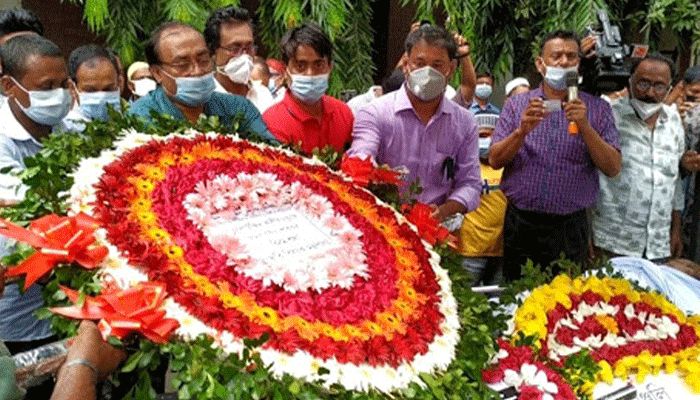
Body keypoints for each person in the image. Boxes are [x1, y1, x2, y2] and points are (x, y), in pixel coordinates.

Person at [489, 30, 621, 280]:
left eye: (571, 56)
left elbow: (613, 167)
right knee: (517, 300)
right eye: (556, 56)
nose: (564, 62)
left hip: (570, 228)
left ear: (579, 64)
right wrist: (521, 131)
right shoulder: (518, 105)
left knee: (566, 304)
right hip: (522, 225)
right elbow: (495, 160)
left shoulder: (598, 108)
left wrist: (585, 126)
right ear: (541, 64)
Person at [0, 34, 73, 399]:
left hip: (68, 300)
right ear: (9, 87)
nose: (59, 95)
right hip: (13, 307)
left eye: (63, 84)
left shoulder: (70, 129)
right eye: (47, 87)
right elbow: (31, 209)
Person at [348, 24, 481, 220]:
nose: (427, 73)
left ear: (451, 69)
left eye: (437, 65)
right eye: (419, 63)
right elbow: (360, 160)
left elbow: (470, 184)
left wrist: (443, 212)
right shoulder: (375, 113)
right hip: (383, 225)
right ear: (406, 65)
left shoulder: (465, 123)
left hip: (439, 229)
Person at [592, 54, 684, 262]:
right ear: (630, 82)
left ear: (670, 89)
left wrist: (675, 229)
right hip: (612, 241)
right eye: (643, 83)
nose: (650, 92)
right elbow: (588, 174)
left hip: (658, 244)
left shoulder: (674, 122)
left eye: (660, 86)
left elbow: (674, 179)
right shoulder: (609, 116)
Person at [129, 22, 276, 142]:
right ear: (157, 73)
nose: (197, 70)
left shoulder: (238, 108)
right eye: (182, 65)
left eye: (203, 60)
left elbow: (275, 155)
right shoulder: (140, 117)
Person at [262, 23, 353, 155]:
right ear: (286, 69)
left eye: (318, 64)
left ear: (330, 67)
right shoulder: (273, 121)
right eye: (300, 66)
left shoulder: (343, 113)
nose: (310, 74)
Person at [458, 113, 506, 284]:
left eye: (492, 136)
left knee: (499, 303)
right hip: (471, 250)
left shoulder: (508, 166)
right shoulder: (464, 167)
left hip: (501, 250)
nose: (487, 141)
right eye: (482, 136)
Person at [204, 6, 274, 113]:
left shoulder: (263, 95)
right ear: (213, 51)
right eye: (235, 48)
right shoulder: (204, 101)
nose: (244, 55)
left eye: (249, 47)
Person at [59, 45, 121, 133]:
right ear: (72, 88)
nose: (101, 98)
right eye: (91, 91)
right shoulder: (65, 131)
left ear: (119, 82)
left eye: (108, 89)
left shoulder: (129, 127)